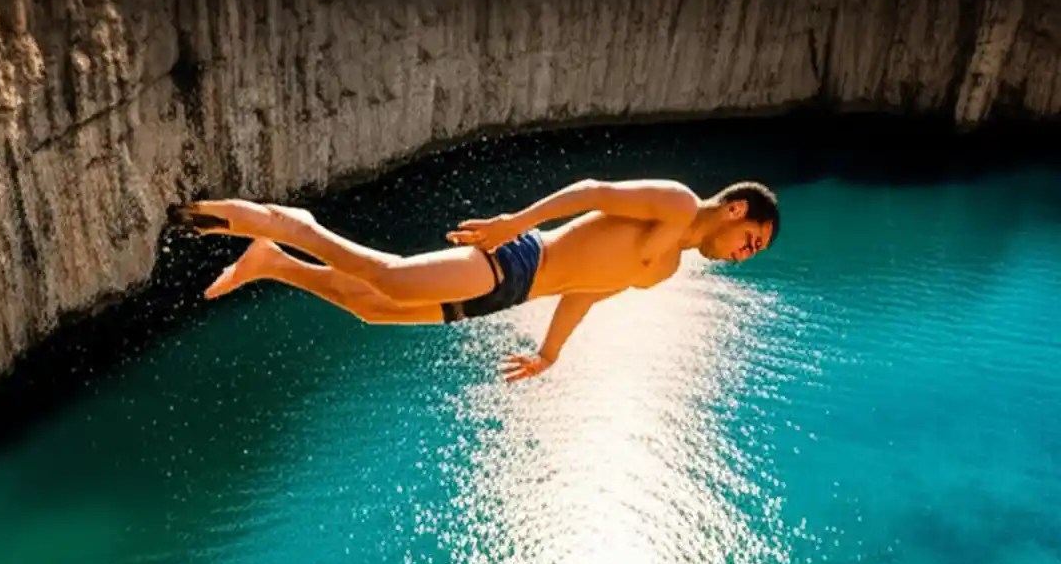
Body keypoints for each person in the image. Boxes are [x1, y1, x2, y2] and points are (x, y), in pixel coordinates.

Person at [177, 178, 779, 382]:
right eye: (751, 240)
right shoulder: (675, 204)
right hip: (517, 258)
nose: (745, 254)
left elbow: (587, 293)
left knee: (373, 307)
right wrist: (514, 222)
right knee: (391, 279)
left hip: (509, 294)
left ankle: (275, 262)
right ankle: (291, 225)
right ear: (734, 210)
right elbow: (593, 191)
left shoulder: (668, 268)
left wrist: (550, 352)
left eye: (753, 252)